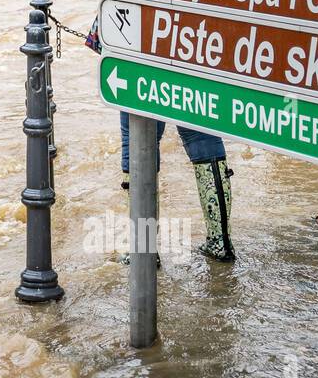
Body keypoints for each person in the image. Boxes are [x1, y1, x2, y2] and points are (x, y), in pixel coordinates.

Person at [87, 16, 236, 262]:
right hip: (191, 42)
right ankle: (220, 242)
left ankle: (144, 251)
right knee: (203, 138)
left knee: (136, 141)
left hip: (140, 49)